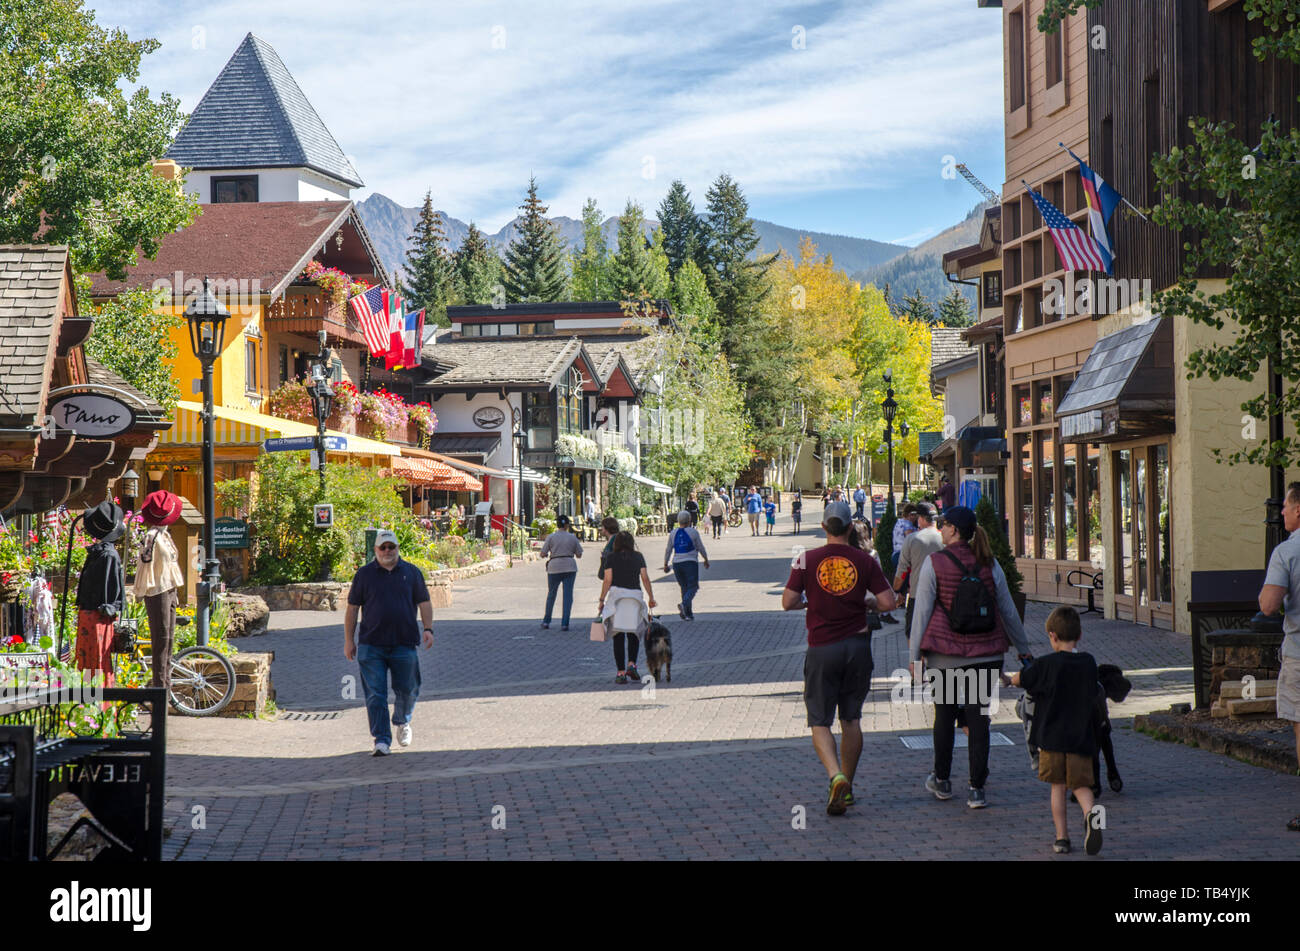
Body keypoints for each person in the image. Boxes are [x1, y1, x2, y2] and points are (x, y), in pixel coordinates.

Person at [908, 505, 1032, 809]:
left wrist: (914, 659)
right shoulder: (990, 564)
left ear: (954, 530)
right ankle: (977, 789)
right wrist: (1023, 648)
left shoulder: (935, 563)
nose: (940, 529)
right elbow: (1007, 610)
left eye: (943, 524)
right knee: (979, 720)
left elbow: (921, 612)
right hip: (986, 653)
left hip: (945, 655)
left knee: (945, 715)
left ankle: (942, 779)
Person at [783, 500, 897, 815]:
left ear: (823, 527)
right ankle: (848, 788)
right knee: (851, 719)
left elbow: (788, 601)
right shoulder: (864, 560)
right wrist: (869, 603)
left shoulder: (805, 560)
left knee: (819, 720)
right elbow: (889, 602)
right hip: (857, 647)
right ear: (849, 527)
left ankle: (836, 776)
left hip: (822, 648)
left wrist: (808, 602)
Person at [1006, 607, 1103, 855]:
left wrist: (1011, 678)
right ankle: (1092, 816)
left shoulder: (1045, 665)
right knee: (1081, 786)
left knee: (1057, 787)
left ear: (1052, 636)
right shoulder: (1089, 663)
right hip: (1082, 737)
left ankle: (1062, 838)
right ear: (1079, 636)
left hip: (1051, 738)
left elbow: (1022, 679)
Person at [344, 530, 434, 756]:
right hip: (371, 644)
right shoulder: (364, 575)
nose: (387, 551)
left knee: (408, 688)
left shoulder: (412, 573)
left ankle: (403, 721)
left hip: (404, 643)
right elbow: (352, 609)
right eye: (382, 547)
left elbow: (424, 602)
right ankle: (381, 740)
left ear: (397, 548)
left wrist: (428, 629)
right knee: (375, 694)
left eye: (391, 547)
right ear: (375, 550)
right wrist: (348, 641)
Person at [1257, 480, 1300, 832]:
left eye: (1285, 506)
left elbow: (1269, 606)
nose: (1281, 511)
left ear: (1298, 509)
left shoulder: (1287, 552)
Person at [133, 491, 184, 691]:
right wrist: (139, 591)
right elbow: (144, 565)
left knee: (168, 640)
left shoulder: (165, 535)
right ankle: (159, 689)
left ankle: (165, 688)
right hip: (157, 592)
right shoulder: (151, 537)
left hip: (169, 589)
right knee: (161, 641)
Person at [74, 502, 126, 688]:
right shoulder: (99, 553)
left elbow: (112, 594)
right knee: (86, 664)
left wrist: (106, 609)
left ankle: (98, 708)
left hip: (97, 619)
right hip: (89, 616)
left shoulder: (108, 556)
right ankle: (85, 707)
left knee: (96, 664)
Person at [599, 531, 658, 684]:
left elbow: (607, 580)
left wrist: (601, 599)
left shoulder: (611, 557)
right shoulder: (638, 556)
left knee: (617, 636)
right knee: (634, 634)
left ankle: (620, 673)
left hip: (617, 598)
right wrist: (651, 597)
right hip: (635, 598)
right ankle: (632, 664)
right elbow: (644, 578)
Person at [894, 502, 943, 644]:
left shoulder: (912, 539)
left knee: (913, 637)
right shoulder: (945, 539)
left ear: (920, 518)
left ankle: (915, 664)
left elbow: (902, 570)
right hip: (942, 596)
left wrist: (897, 590)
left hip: (917, 596)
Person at [539, 514, 583, 631]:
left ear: (557, 525)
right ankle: (565, 623)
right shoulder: (572, 537)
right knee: (568, 596)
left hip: (554, 567)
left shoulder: (551, 537)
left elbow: (542, 553)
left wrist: (550, 553)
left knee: (551, 594)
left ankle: (546, 621)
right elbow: (579, 554)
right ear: (567, 525)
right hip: (569, 566)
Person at [664, 511, 710, 620]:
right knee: (693, 586)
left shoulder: (673, 533)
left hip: (677, 563)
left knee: (684, 588)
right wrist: (705, 559)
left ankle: (688, 614)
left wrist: (666, 563)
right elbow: (700, 547)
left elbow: (668, 549)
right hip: (690, 562)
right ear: (689, 520)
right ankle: (684, 605)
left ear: (678, 521)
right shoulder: (693, 532)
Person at [595, 515, 620, 579]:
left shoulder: (615, 539)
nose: (601, 528)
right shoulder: (612, 538)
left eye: (602, 526)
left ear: (607, 528)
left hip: (613, 576)